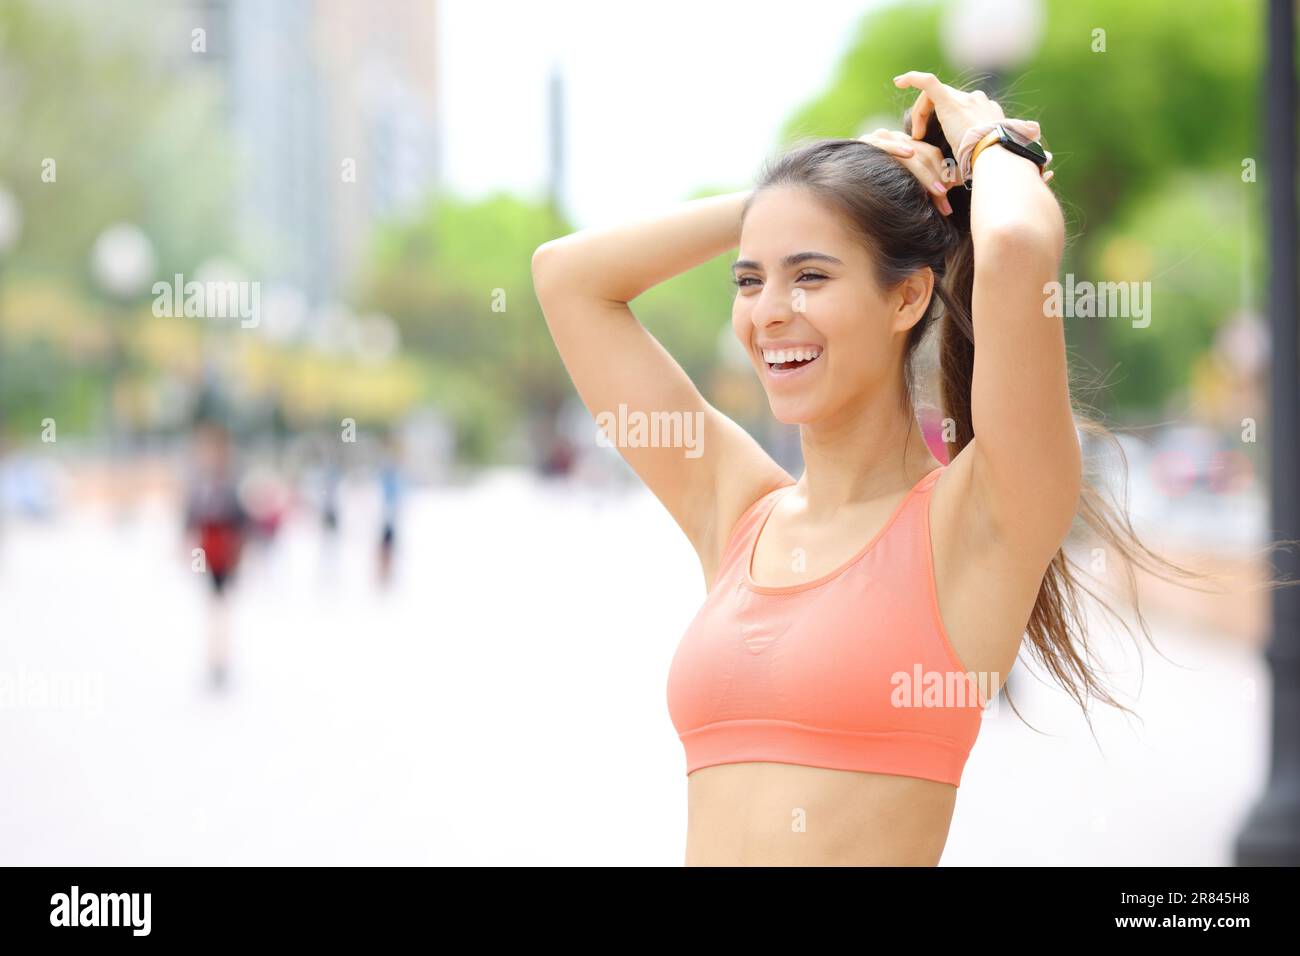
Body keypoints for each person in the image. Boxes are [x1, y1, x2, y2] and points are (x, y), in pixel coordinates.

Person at [531, 72, 1218, 866]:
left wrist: (993, 143)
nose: (769, 311)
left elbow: (1016, 246)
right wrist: (821, 183)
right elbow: (568, 278)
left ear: (906, 299)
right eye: (750, 281)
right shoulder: (736, 509)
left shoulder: (978, 519)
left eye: (811, 275)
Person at [183, 419, 248, 691]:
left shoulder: (230, 482)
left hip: (224, 551)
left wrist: (239, 553)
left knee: (220, 606)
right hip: (207, 550)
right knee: (213, 605)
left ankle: (220, 658)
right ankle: (215, 658)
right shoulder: (198, 482)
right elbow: (190, 520)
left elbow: (241, 520)